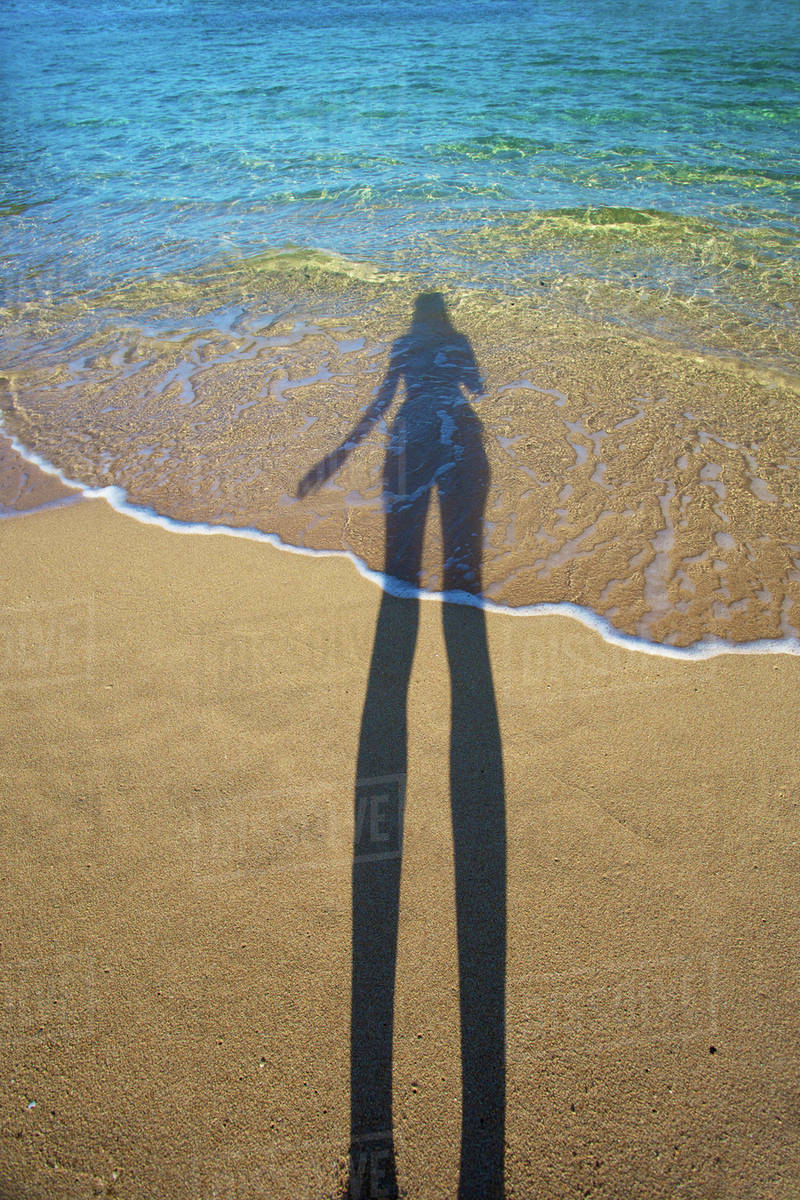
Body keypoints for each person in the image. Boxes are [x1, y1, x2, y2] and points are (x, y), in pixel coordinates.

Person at [298, 292, 505, 1200]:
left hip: (402, 448)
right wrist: (458, 374)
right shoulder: (455, 345)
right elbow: (479, 391)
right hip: (460, 448)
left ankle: (405, 650)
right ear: (443, 317)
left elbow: (376, 407)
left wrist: (337, 455)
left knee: (400, 577)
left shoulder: (401, 347)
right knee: (464, 575)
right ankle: (455, 623)